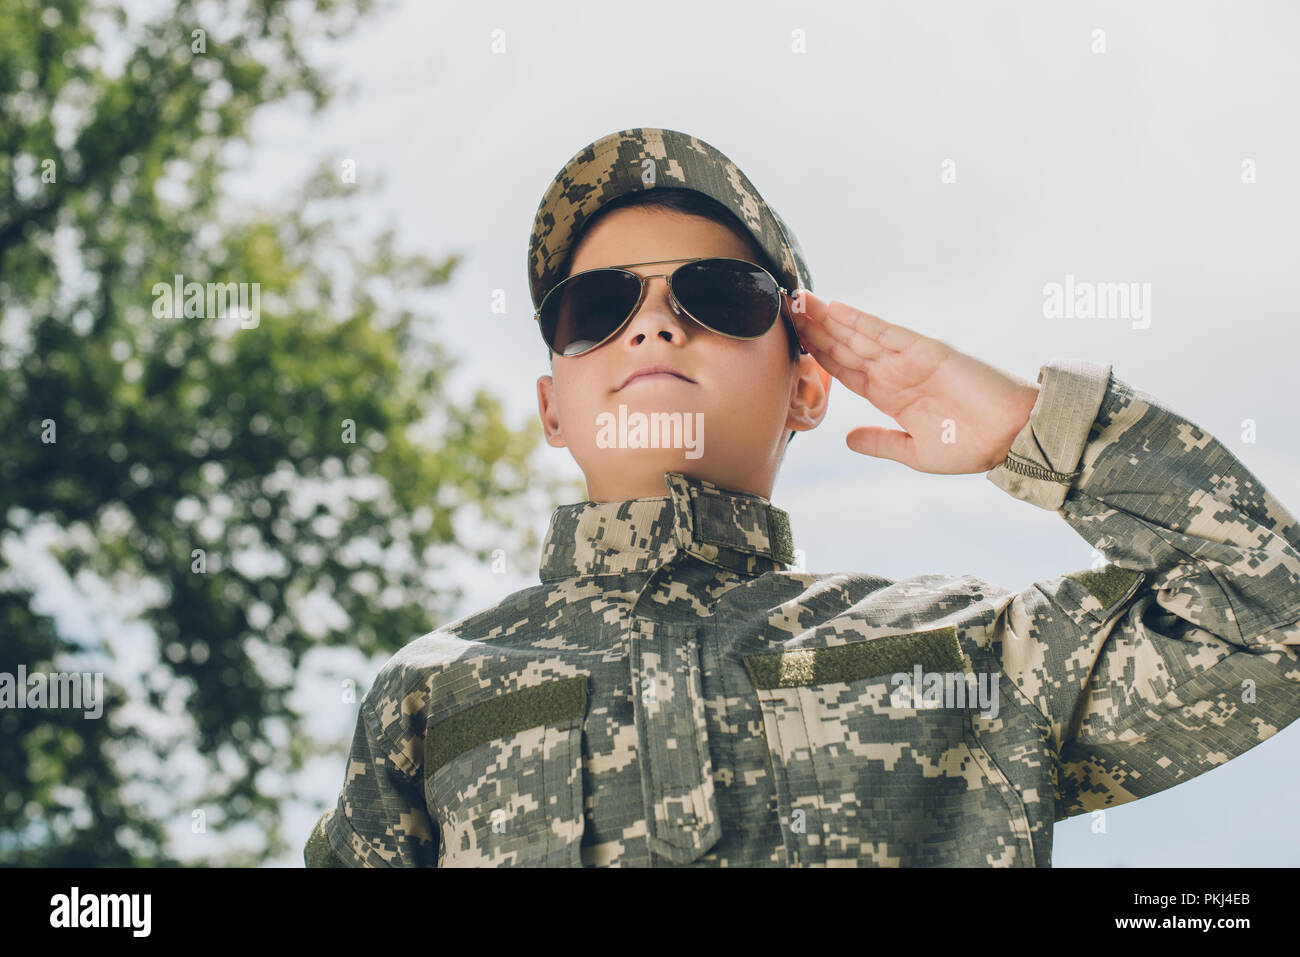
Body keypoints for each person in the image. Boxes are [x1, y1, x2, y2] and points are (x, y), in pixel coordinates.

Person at [304, 127, 1300, 867]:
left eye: (718, 295)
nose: (653, 325)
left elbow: (1274, 620)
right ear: (550, 406)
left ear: (807, 383)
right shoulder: (435, 697)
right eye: (596, 308)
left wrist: (1035, 433)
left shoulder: (965, 650)